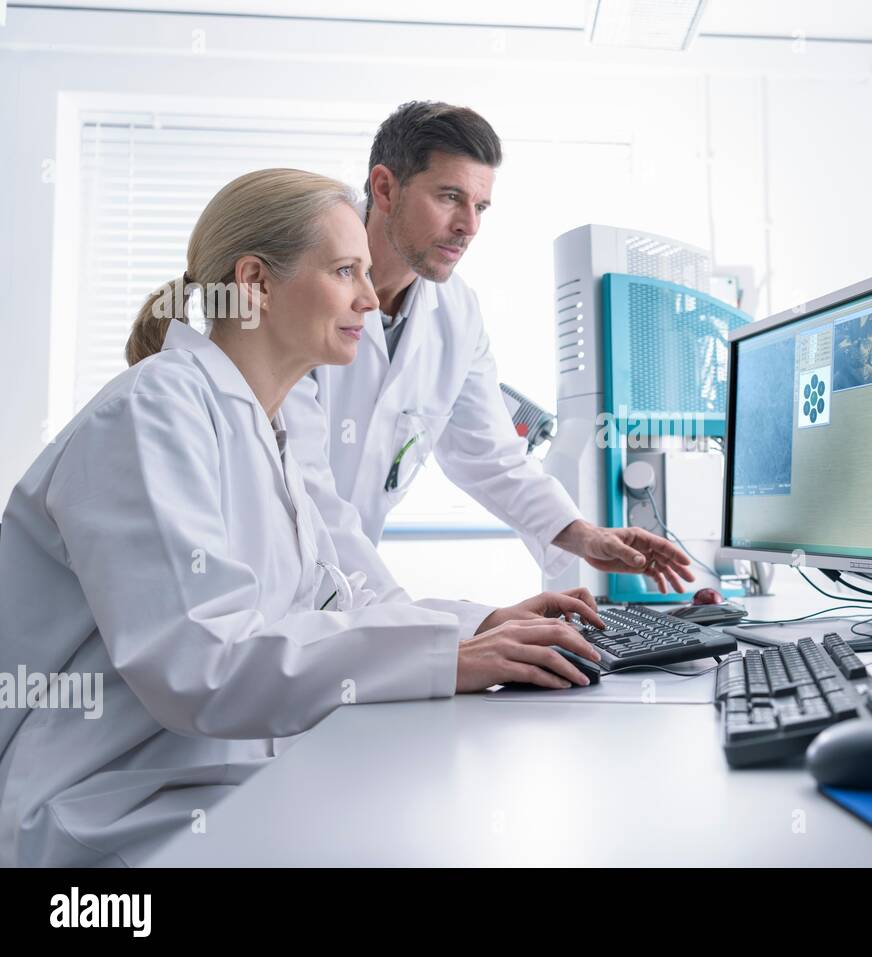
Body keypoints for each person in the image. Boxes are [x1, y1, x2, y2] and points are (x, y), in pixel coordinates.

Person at [0, 169, 606, 868]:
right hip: (100, 812)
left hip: (199, 778)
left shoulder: (275, 426)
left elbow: (335, 603)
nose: (368, 299)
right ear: (255, 281)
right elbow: (205, 665)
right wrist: (446, 657)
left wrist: (478, 626)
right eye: (346, 270)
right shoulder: (152, 413)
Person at [281, 101, 694, 595]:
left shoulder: (457, 314)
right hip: (275, 576)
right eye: (450, 197)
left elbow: (492, 455)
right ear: (385, 188)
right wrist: (422, 623)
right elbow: (303, 487)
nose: (469, 226)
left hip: (344, 590)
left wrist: (584, 536)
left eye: (479, 206)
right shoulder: (301, 288)